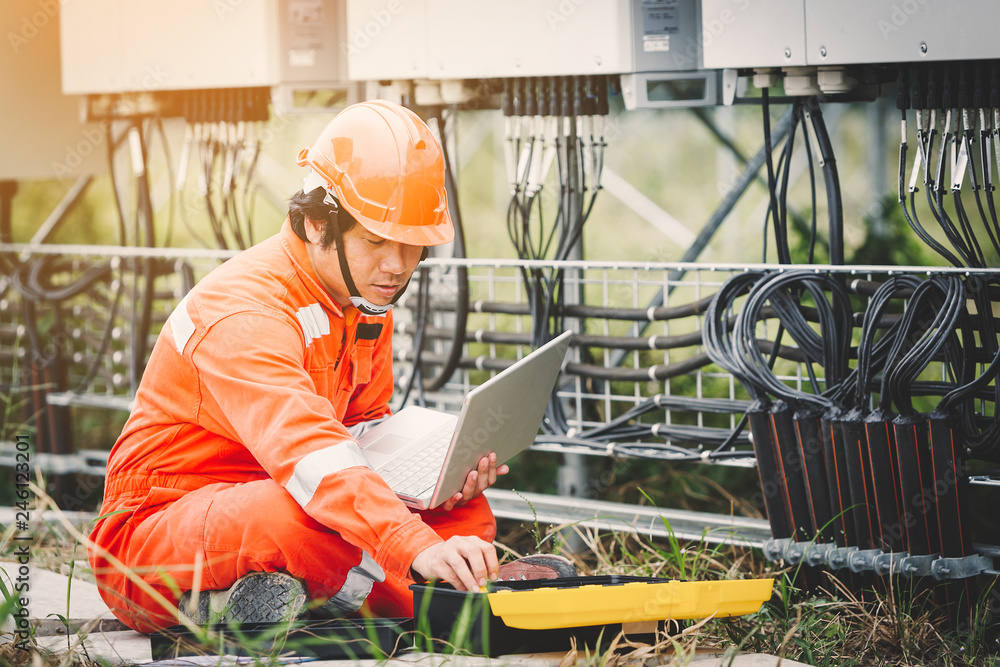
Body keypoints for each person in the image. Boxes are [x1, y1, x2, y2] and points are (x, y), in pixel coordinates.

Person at [88, 100, 573, 633]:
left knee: (463, 515)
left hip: (291, 483)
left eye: (412, 246)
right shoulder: (245, 312)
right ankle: (452, 604)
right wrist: (412, 544)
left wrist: (435, 476)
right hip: (155, 532)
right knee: (294, 520)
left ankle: (267, 601)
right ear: (317, 222)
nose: (396, 266)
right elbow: (310, 455)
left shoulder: (362, 294)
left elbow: (360, 431)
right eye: (375, 241)